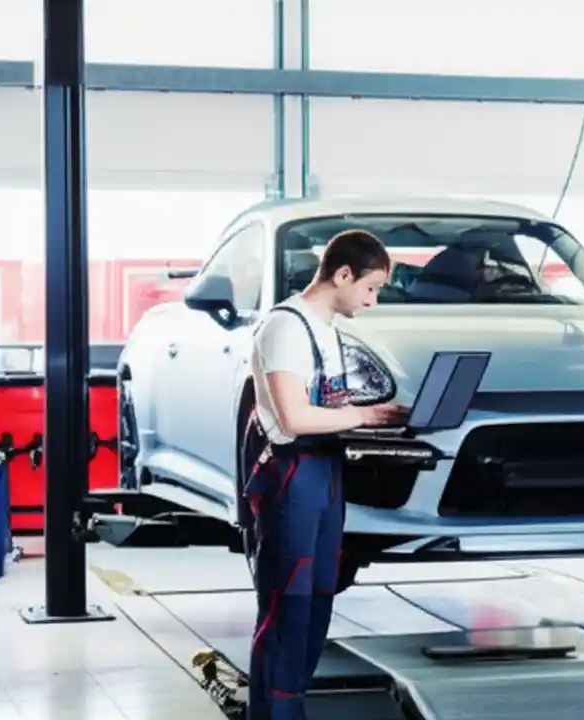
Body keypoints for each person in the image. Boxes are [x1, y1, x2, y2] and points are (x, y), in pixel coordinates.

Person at [243, 228, 408, 719]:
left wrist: (379, 414)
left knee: (315, 606)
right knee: (286, 610)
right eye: (371, 288)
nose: (373, 301)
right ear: (342, 275)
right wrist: (363, 417)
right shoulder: (287, 328)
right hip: (292, 480)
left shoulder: (327, 330)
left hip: (325, 475)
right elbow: (294, 417)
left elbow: (328, 405)